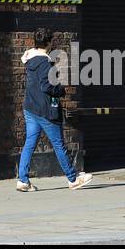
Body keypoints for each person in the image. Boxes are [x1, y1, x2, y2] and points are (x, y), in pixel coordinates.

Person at [17, 28, 92, 192]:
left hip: (30, 107)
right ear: (49, 42)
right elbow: (47, 86)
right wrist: (61, 90)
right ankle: (73, 179)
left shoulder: (29, 58)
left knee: (29, 144)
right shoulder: (44, 62)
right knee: (59, 144)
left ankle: (23, 180)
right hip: (45, 110)